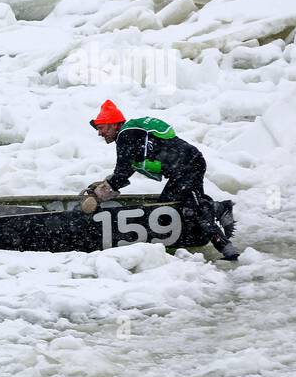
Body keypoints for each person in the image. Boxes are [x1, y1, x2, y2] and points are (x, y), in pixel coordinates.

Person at [85, 99, 239, 260]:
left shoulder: (126, 135)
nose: (99, 133)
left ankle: (226, 247)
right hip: (186, 166)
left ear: (114, 124)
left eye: (101, 128)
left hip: (188, 166)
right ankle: (217, 207)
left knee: (193, 208)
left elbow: (123, 172)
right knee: (169, 208)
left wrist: (100, 193)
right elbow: (126, 169)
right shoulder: (130, 134)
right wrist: (107, 184)